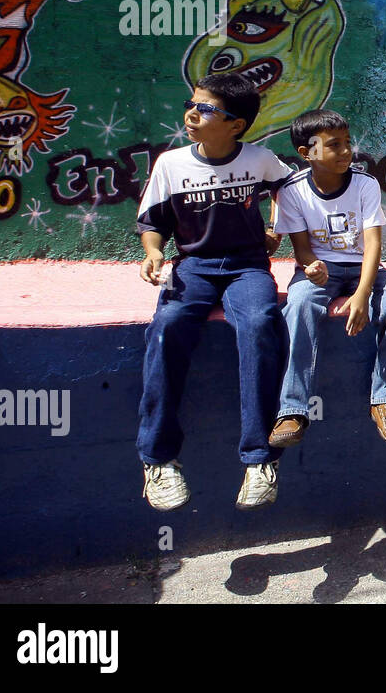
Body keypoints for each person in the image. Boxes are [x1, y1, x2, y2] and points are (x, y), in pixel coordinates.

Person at [135, 72, 292, 512]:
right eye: (193, 103)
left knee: (262, 323)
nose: (191, 113)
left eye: (205, 108)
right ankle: (158, 460)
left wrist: (276, 227)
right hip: (193, 267)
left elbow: (290, 188)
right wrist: (153, 254)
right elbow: (153, 224)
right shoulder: (171, 164)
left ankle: (260, 460)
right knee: (166, 326)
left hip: (247, 267)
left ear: (235, 125)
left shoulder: (260, 160)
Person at [267, 109, 386, 450]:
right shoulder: (292, 191)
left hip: (366, 267)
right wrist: (311, 268)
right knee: (300, 303)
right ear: (307, 153)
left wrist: (364, 293)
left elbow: (373, 246)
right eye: (334, 145)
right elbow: (302, 250)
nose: (346, 151)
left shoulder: (365, 184)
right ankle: (292, 409)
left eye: (347, 143)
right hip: (322, 268)